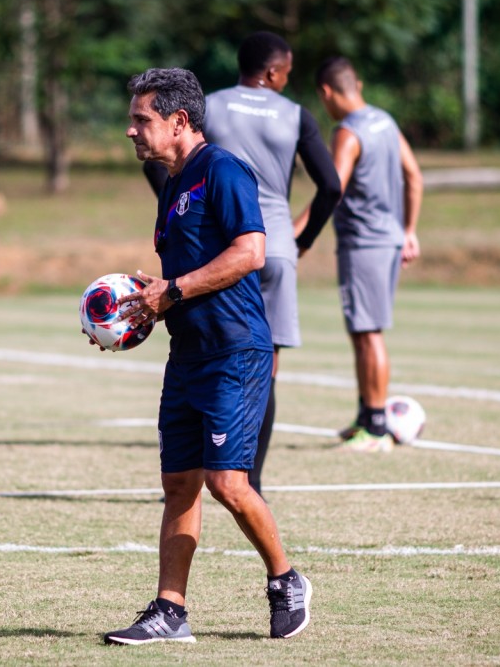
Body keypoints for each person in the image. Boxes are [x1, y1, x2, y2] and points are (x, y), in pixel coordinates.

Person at [102, 67, 311, 645]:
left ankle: (286, 579)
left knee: (227, 483)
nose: (131, 130)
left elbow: (250, 253)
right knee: (179, 484)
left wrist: (173, 290)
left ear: (178, 121)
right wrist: (141, 308)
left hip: (234, 351)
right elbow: (183, 279)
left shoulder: (222, 169)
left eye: (141, 119)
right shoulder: (172, 183)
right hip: (187, 354)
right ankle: (170, 612)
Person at [144, 32, 341, 494]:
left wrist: (180, 215)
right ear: (273, 72)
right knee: (263, 368)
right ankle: (252, 479)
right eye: (287, 73)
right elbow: (331, 186)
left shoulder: (208, 106)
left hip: (218, 246)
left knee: (224, 351)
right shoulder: (295, 113)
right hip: (275, 246)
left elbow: (160, 161)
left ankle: (229, 475)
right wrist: (303, 240)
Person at [294, 57, 423, 452]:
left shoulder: (348, 132)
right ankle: (367, 416)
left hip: (364, 243)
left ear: (326, 93)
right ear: (358, 84)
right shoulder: (385, 121)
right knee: (362, 331)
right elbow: (414, 175)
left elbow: (332, 190)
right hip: (388, 239)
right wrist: (409, 230)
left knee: (368, 333)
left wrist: (294, 232)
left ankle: (377, 428)